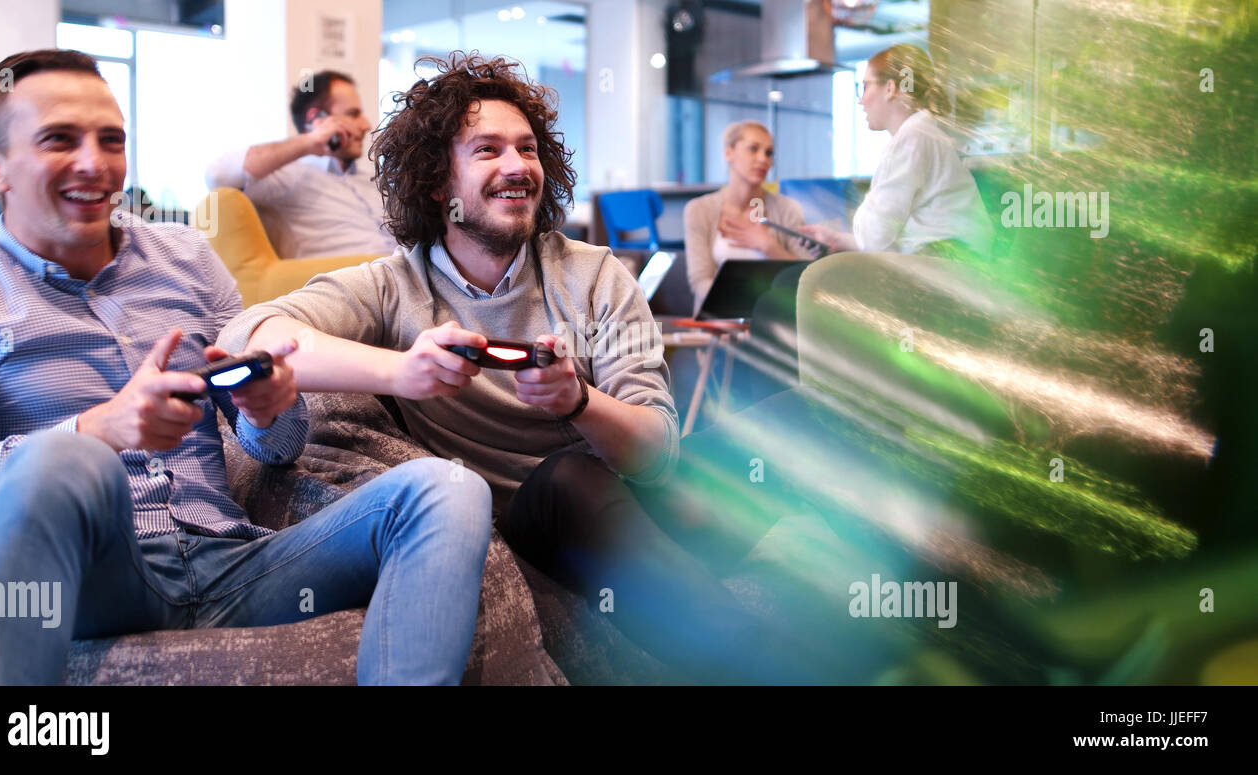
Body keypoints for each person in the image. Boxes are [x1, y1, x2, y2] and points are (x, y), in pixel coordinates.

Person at [219, 53, 820, 684]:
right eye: (486, 150)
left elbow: (658, 454)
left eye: (527, 149)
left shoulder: (592, 275)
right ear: (437, 183)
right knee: (568, 480)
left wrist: (578, 401)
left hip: (637, 494)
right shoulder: (394, 286)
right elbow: (251, 334)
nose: (516, 167)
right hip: (542, 520)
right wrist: (400, 373)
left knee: (804, 411)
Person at [0, 49, 492, 685]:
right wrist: (98, 429)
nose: (95, 164)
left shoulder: (185, 257)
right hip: (95, 579)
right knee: (64, 459)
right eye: (58, 141)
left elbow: (278, 449)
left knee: (450, 489)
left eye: (111, 140)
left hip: (233, 561)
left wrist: (269, 411)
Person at [802, 44, 993, 260]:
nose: (860, 99)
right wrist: (837, 240)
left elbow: (875, 236)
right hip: (951, 259)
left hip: (947, 263)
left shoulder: (913, 138)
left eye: (864, 87)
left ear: (890, 88)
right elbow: (886, 237)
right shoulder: (922, 133)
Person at [204, 70, 397, 258]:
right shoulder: (288, 177)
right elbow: (218, 175)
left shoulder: (371, 178)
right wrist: (312, 141)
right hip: (350, 282)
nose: (366, 125)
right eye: (353, 114)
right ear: (316, 119)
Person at [683, 120, 815, 311]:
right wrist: (738, 308)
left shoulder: (788, 209)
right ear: (729, 153)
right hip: (717, 322)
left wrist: (768, 246)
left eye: (769, 153)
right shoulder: (699, 210)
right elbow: (700, 281)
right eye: (753, 149)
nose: (763, 159)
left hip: (773, 319)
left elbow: (806, 276)